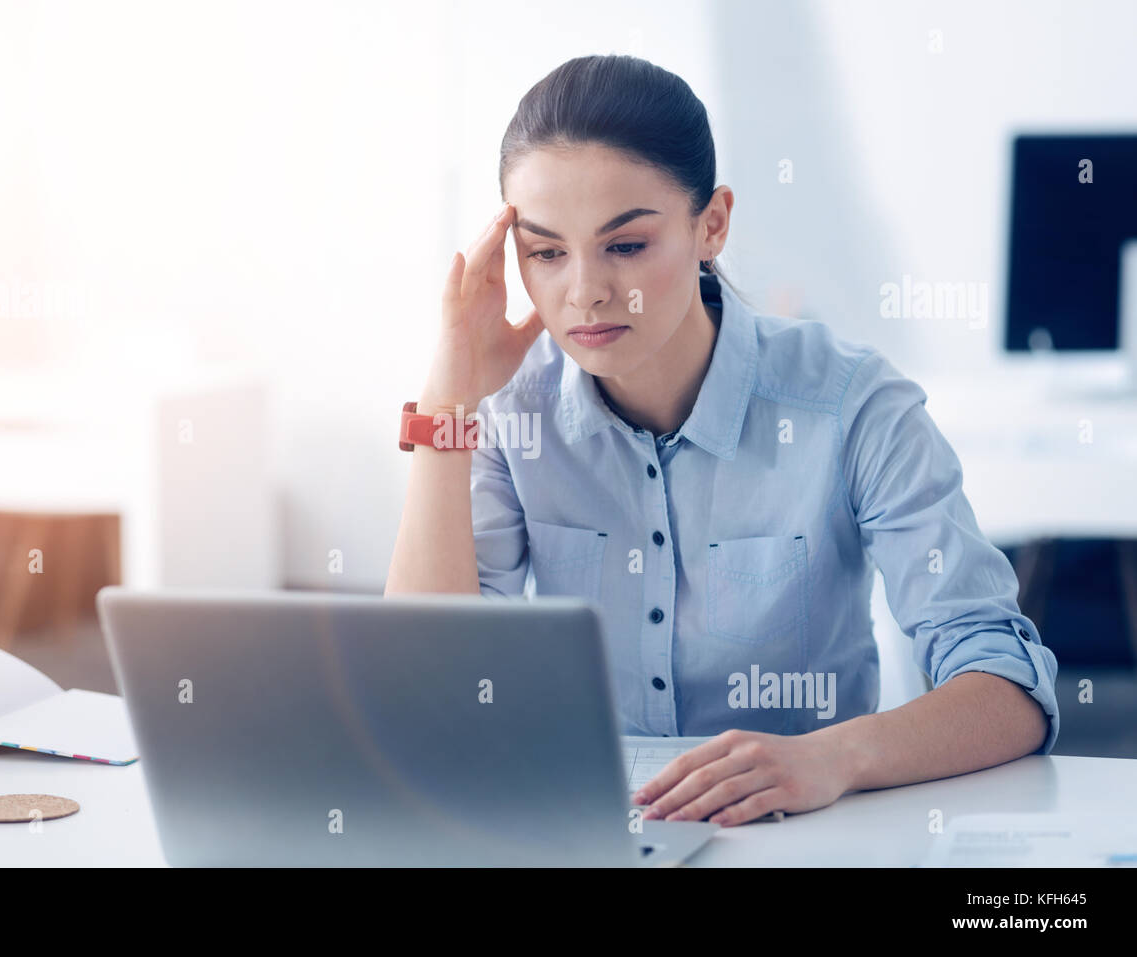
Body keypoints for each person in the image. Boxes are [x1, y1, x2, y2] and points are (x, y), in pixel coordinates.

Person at [384, 54, 1058, 827]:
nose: (585, 291)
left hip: (806, 837)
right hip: (589, 833)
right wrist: (449, 397)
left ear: (712, 224)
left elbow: (1010, 689)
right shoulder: (510, 414)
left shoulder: (852, 406)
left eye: (627, 245)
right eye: (545, 251)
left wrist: (832, 755)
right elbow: (425, 702)